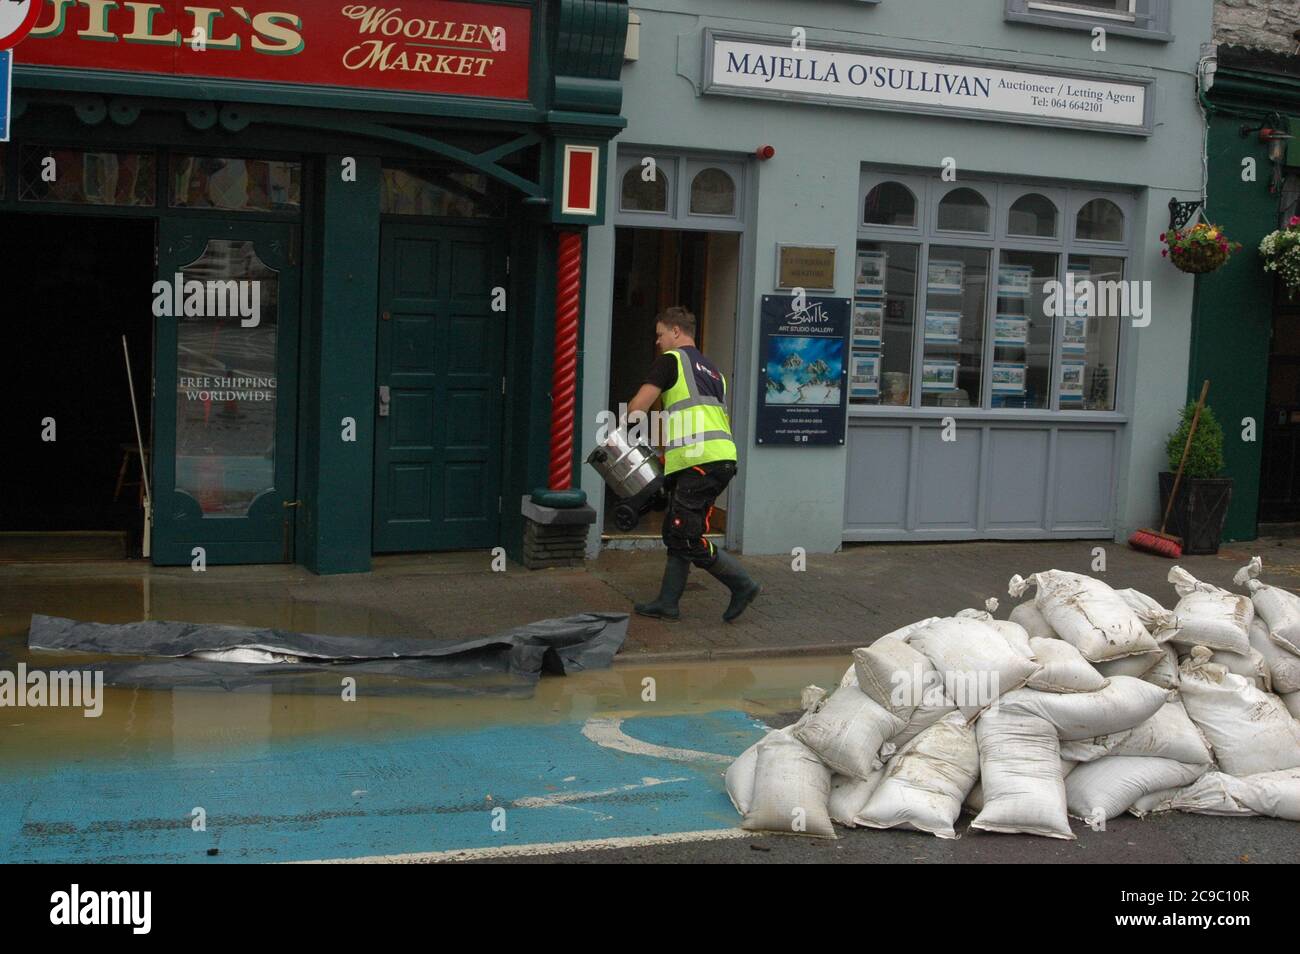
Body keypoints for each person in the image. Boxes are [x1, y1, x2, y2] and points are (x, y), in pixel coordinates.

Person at [624, 306, 760, 623]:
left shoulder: (671, 361)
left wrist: (626, 432)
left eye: (659, 335)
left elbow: (637, 407)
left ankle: (743, 584)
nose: (657, 342)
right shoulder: (714, 371)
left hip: (700, 462)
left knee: (686, 534)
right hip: (718, 458)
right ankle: (667, 603)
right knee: (679, 527)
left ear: (675, 331)